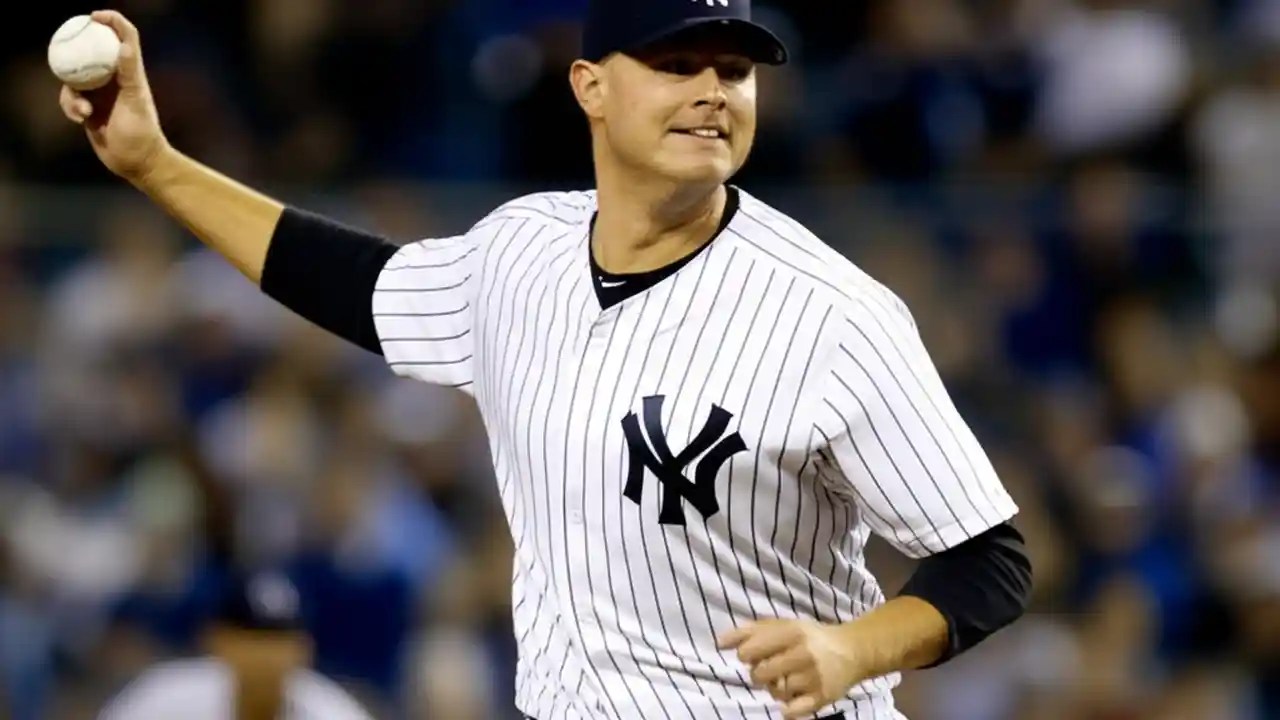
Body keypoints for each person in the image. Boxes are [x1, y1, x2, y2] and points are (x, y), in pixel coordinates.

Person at [58, 2, 1034, 718]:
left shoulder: (831, 313)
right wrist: (154, 165)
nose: (710, 92)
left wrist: (852, 647)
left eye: (731, 71)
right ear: (590, 87)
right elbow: (353, 281)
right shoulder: (519, 252)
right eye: (676, 61)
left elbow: (988, 561)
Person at [96, 569, 374, 720]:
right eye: (254, 639)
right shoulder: (163, 698)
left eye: (279, 641)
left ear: (304, 649)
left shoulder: (333, 713)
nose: (267, 656)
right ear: (218, 641)